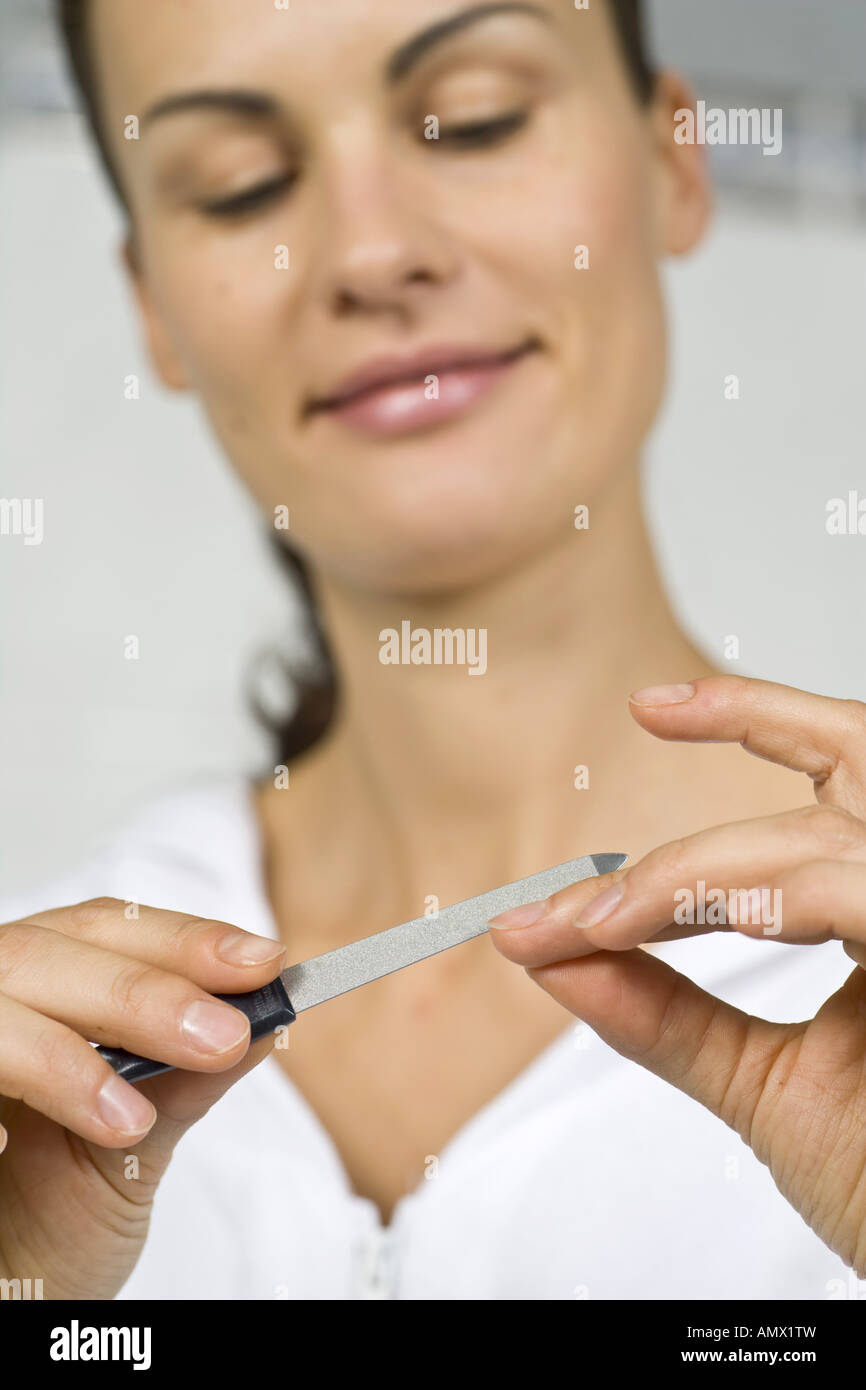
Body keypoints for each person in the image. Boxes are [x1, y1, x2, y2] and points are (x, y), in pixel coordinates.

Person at [0, 0, 863, 1300]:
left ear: (673, 160)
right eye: (240, 187)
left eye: (475, 119)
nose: (372, 249)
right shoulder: (39, 1049)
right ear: (156, 309)